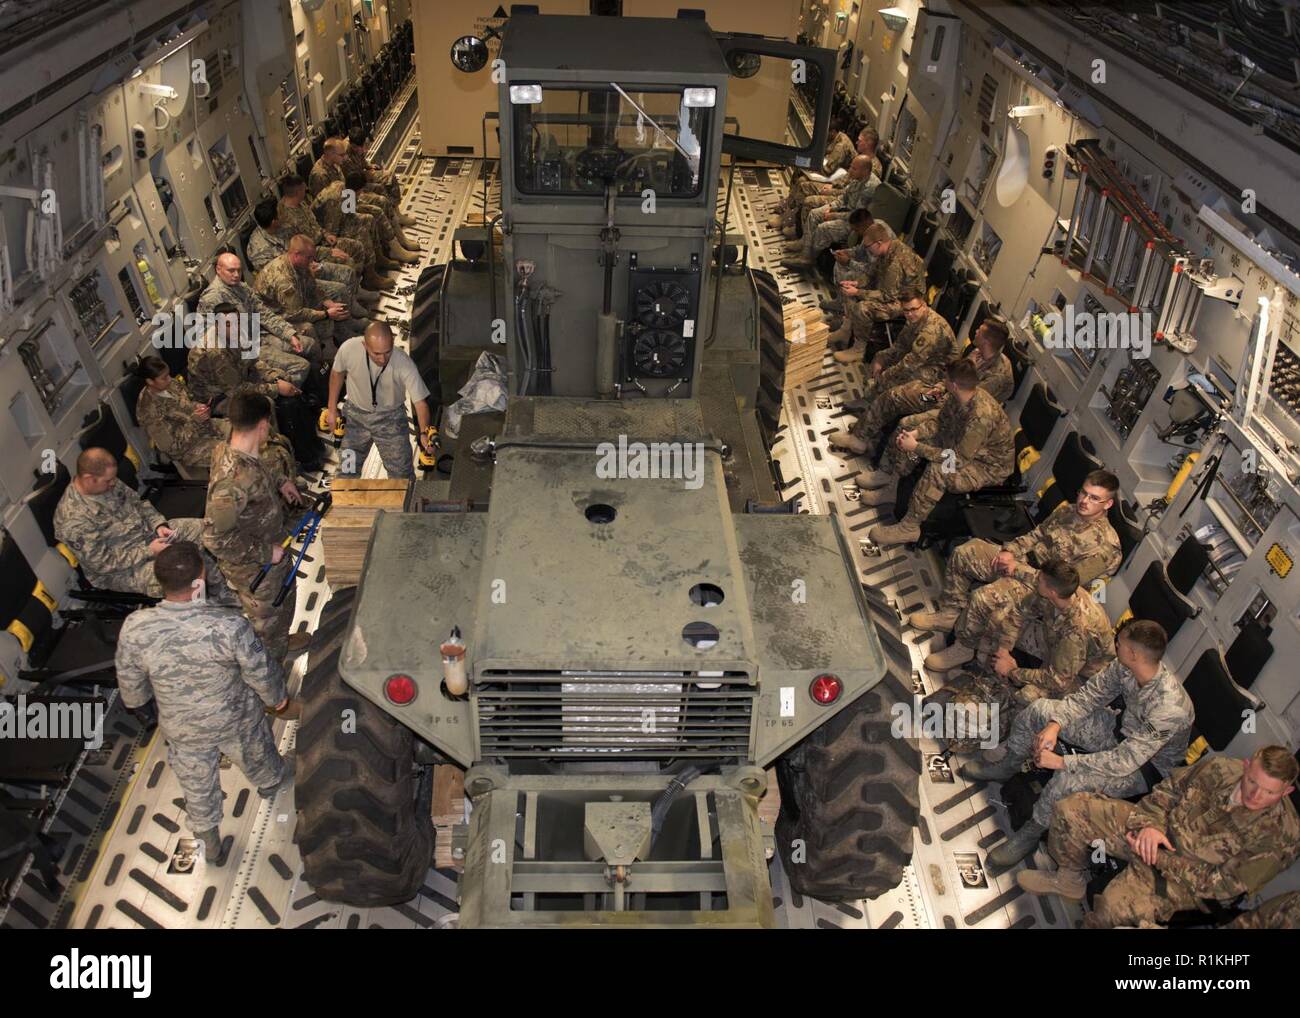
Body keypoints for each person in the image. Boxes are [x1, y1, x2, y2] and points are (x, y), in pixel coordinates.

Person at [115, 542, 296, 864]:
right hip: (234, 717)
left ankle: (208, 839)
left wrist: (142, 704)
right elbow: (259, 671)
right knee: (257, 753)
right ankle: (270, 783)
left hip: (181, 727)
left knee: (197, 784)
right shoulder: (228, 625)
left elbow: (131, 684)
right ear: (199, 581)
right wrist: (277, 699)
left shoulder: (135, 627)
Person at [962, 620, 1194, 868]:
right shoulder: (1125, 666)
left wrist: (1062, 762)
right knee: (1040, 710)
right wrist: (1055, 725)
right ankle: (1008, 764)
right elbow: (1089, 697)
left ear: (1134, 654)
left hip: (1143, 768)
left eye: (1120, 644)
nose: (1116, 645)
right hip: (1118, 733)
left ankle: (1031, 833)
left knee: (1068, 780)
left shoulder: (1170, 708)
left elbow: (1123, 762)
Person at [1021, 747, 1299, 929]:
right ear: (1246, 765)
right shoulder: (1219, 768)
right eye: (1252, 781)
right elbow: (1168, 791)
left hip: (1182, 882)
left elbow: (1223, 888)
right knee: (1071, 811)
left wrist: (1163, 857)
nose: (1255, 795)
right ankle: (1069, 880)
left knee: (1109, 912)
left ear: (1286, 792)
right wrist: (1150, 826)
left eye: (1269, 793)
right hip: (1152, 832)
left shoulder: (1280, 836)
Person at [910, 469, 1122, 633]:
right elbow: (1037, 534)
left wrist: (1017, 569)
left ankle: (962, 648)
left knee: (983, 598)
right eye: (1083, 493)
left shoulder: (1106, 548)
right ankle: (949, 614)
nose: (1084, 501)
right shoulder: (1068, 511)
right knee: (965, 552)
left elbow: (1063, 586)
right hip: (1023, 562)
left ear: (1108, 504)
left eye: (1094, 498)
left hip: (1045, 592)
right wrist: (1010, 551)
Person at [204, 393, 309, 666]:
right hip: (255, 568)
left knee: (283, 603)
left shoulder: (237, 449)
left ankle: (283, 641)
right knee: (266, 626)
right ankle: (273, 690)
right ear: (263, 426)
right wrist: (265, 553)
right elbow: (214, 539)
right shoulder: (230, 484)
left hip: (273, 549)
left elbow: (257, 469)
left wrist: (281, 480)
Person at [862, 359, 1015, 547]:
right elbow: (940, 423)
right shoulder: (961, 395)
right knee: (909, 430)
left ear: (954, 384)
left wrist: (916, 448)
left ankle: (910, 527)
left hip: (987, 465)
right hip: (963, 447)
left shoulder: (981, 417)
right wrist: (916, 434)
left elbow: (956, 459)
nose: (944, 380)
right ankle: (892, 487)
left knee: (939, 469)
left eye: (946, 378)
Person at [53, 447, 230, 599]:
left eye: (113, 478)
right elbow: (102, 564)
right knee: (181, 574)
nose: (114, 483)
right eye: (108, 481)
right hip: (124, 569)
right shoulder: (73, 519)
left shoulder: (107, 482)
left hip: (149, 536)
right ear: (90, 479)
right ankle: (209, 613)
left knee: (207, 529)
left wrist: (159, 525)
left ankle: (223, 590)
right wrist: (148, 551)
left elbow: (140, 504)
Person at [831, 317, 1012, 459]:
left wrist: (941, 394)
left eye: (980, 331)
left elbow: (970, 402)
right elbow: (956, 376)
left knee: (907, 424)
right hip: (944, 394)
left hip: (955, 412)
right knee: (896, 395)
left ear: (987, 341)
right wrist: (939, 388)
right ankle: (860, 437)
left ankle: (885, 473)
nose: (976, 331)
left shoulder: (998, 374)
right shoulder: (977, 353)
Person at [135, 354, 297, 483]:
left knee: (253, 429)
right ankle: (275, 484)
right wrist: (194, 421)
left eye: (168, 375)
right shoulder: (148, 411)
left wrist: (201, 408)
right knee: (242, 453)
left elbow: (188, 401)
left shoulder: (170, 385)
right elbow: (173, 448)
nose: (169, 379)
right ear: (150, 381)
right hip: (190, 447)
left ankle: (286, 472)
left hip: (206, 424)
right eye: (164, 378)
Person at [327, 322, 434, 479]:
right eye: (376, 354)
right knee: (346, 471)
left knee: (402, 477)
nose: (383, 359)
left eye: (387, 352)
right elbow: (337, 373)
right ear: (365, 345)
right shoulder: (349, 349)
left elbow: (420, 403)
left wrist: (424, 433)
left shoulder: (403, 363)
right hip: (354, 419)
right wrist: (331, 409)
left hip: (390, 419)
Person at [197, 252, 318, 384]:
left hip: (259, 337)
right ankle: (287, 396)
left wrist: (289, 334)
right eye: (231, 271)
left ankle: (314, 382)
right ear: (218, 270)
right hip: (245, 350)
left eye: (239, 270)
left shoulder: (241, 287)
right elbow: (221, 342)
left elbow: (263, 313)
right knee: (301, 366)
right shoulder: (213, 298)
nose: (236, 275)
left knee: (309, 344)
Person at [247, 196, 376, 314]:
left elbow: (304, 245)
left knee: (347, 270)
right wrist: (309, 269)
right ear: (274, 221)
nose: (283, 213)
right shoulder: (258, 248)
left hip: (307, 264)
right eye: (279, 212)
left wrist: (329, 251)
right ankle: (348, 312)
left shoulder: (284, 228)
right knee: (339, 288)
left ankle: (355, 295)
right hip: (294, 281)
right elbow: (278, 276)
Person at [827, 225, 927, 362]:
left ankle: (858, 349)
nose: (867, 250)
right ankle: (845, 331)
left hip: (904, 302)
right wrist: (856, 284)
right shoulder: (886, 251)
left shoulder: (896, 263)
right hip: (891, 292)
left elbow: (888, 296)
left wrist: (858, 292)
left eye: (868, 247)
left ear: (879, 243)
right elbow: (872, 274)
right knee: (849, 290)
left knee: (862, 308)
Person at [278, 172, 397, 286]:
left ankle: (378, 259)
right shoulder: (286, 218)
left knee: (368, 220)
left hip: (324, 236)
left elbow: (316, 224)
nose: (306, 191)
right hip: (315, 249)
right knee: (359, 242)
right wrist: (328, 249)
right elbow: (298, 249)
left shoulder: (300, 203)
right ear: (298, 191)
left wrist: (325, 234)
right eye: (304, 189)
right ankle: (367, 279)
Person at [254, 234, 367, 350]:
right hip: (279, 313)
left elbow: (312, 286)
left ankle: (346, 324)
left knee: (338, 291)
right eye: (309, 258)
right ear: (297, 254)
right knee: (321, 322)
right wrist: (327, 313)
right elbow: (295, 313)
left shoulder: (299, 262)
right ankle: (334, 344)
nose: (312, 261)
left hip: (296, 298)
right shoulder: (283, 280)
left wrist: (327, 302)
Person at [780, 154, 879, 270]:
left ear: (865, 171)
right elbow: (843, 198)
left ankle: (807, 259)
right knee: (814, 214)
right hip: (845, 211)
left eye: (854, 168)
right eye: (851, 167)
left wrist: (833, 215)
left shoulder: (869, 188)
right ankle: (805, 246)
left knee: (824, 228)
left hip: (855, 223)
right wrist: (831, 207)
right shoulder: (857, 179)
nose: (850, 171)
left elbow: (857, 216)